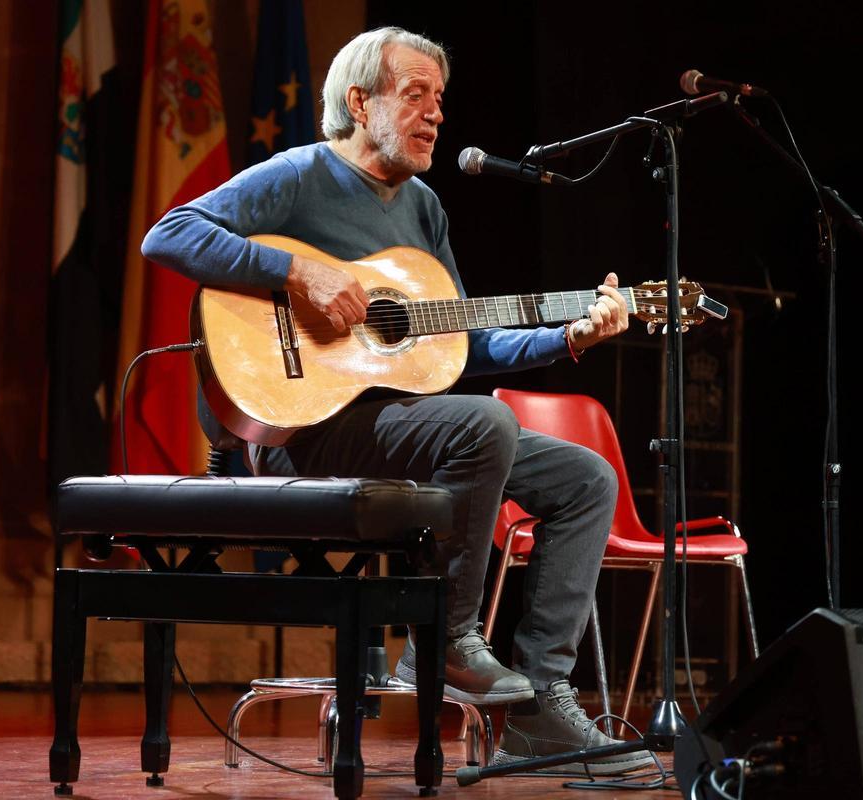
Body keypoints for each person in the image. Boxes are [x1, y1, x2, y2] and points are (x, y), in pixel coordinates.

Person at [141, 27, 651, 774]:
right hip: (299, 427)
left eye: (439, 101)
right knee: (484, 424)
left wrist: (567, 338)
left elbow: (460, 344)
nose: (435, 115)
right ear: (360, 101)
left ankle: (541, 705)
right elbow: (168, 234)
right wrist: (297, 274)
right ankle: (442, 640)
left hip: (391, 424)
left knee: (586, 478)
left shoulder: (424, 209)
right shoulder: (298, 175)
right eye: (415, 95)